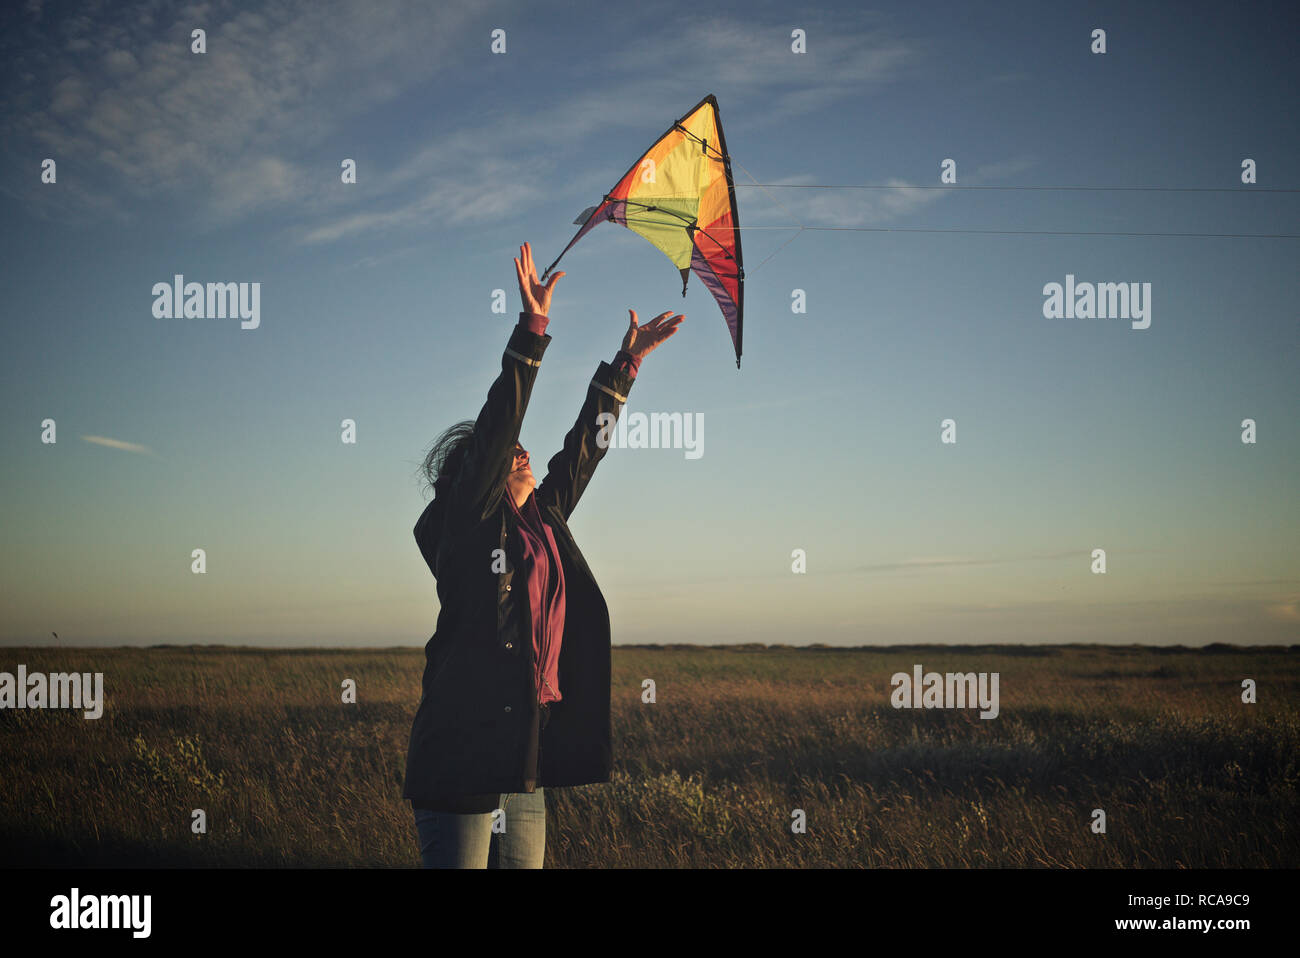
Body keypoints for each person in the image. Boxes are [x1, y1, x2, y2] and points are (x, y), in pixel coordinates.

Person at [404, 241, 683, 868]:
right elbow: (498, 428)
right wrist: (532, 331)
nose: (521, 453)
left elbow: (583, 452)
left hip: (522, 749)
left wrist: (625, 369)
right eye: (510, 453)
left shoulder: (540, 520)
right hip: (462, 748)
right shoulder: (471, 528)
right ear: (478, 474)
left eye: (522, 449)